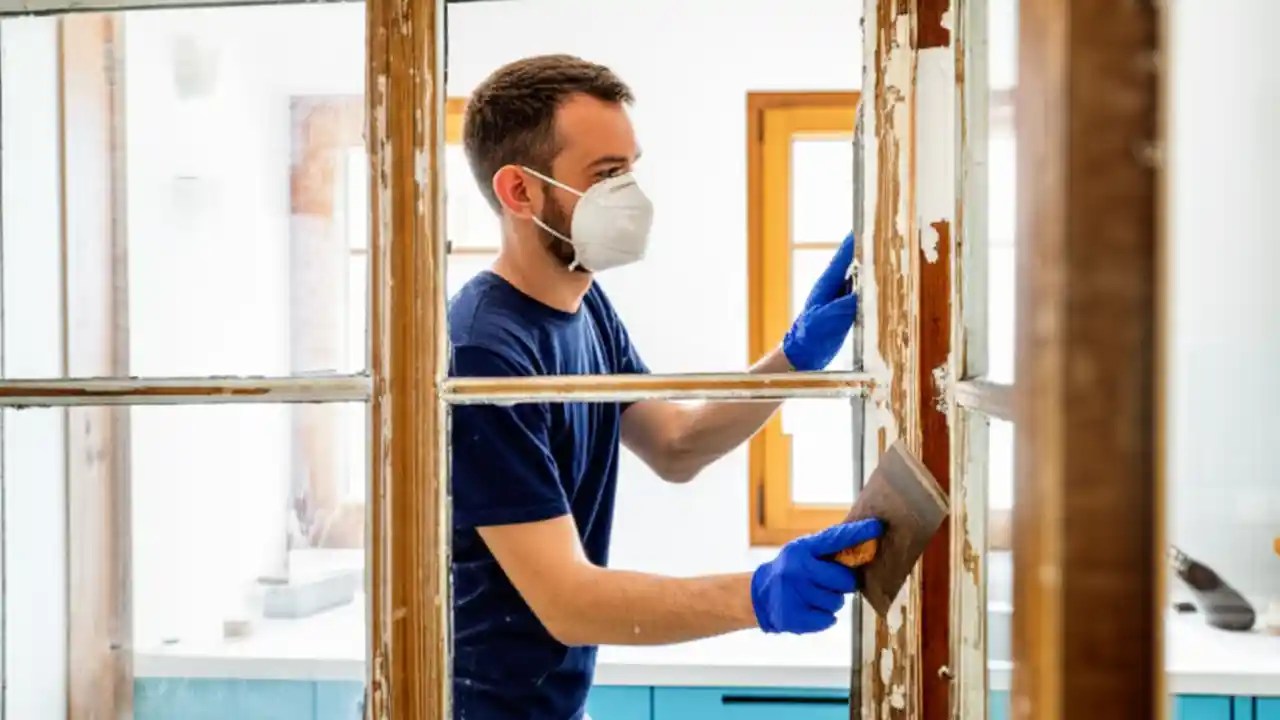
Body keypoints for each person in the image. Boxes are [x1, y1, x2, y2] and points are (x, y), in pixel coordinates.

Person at [449, 54, 883, 720]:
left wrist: (794, 359)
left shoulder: (585, 307)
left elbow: (675, 446)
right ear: (519, 192)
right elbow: (568, 602)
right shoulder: (484, 355)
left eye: (630, 168)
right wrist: (760, 595)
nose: (631, 195)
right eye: (605, 175)